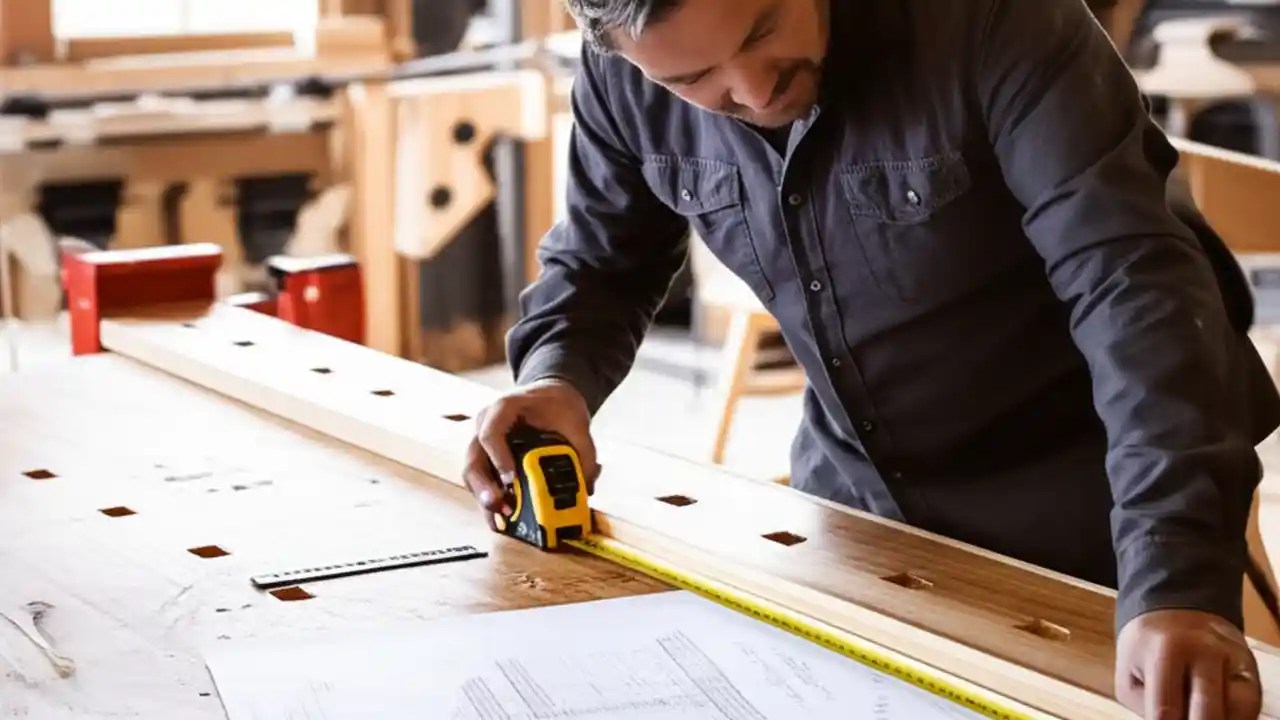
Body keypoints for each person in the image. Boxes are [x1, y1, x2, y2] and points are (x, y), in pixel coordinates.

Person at [460, 0, 1280, 717]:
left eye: (764, 29)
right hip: (857, 516)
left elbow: (1134, 290)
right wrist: (556, 378)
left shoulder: (997, 20)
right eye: (696, 81)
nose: (752, 93)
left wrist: (1177, 577)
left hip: (1098, 508)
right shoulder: (623, 79)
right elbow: (605, 264)